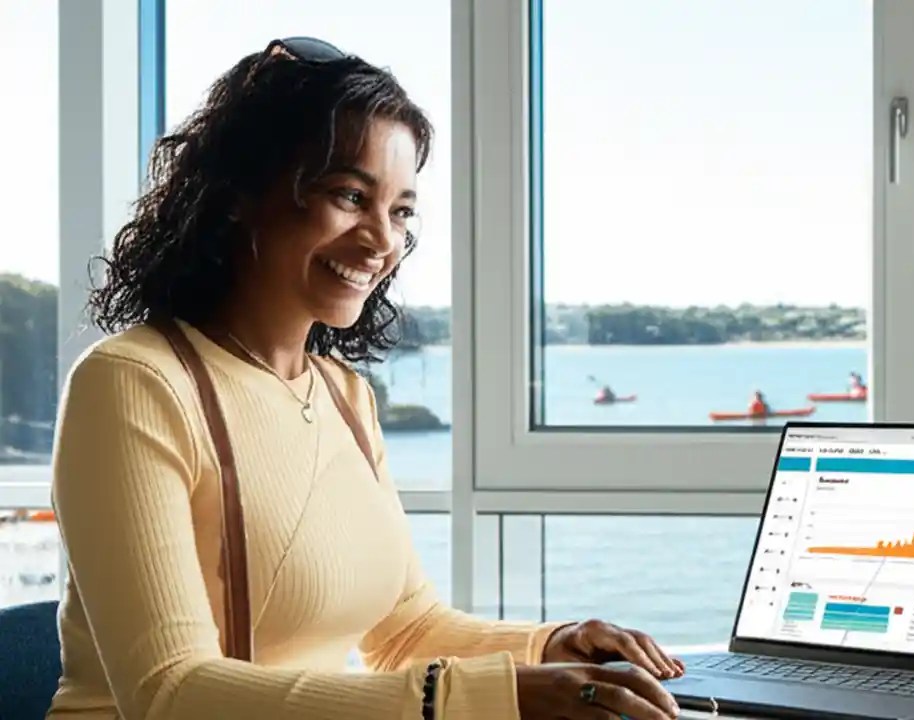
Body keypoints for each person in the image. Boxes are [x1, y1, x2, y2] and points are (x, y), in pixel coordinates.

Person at [48, 37, 682, 720]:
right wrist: (487, 698)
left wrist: (552, 645)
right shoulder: (133, 384)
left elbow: (404, 632)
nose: (382, 240)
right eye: (350, 195)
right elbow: (170, 693)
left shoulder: (344, 394)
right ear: (238, 194)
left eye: (401, 210)